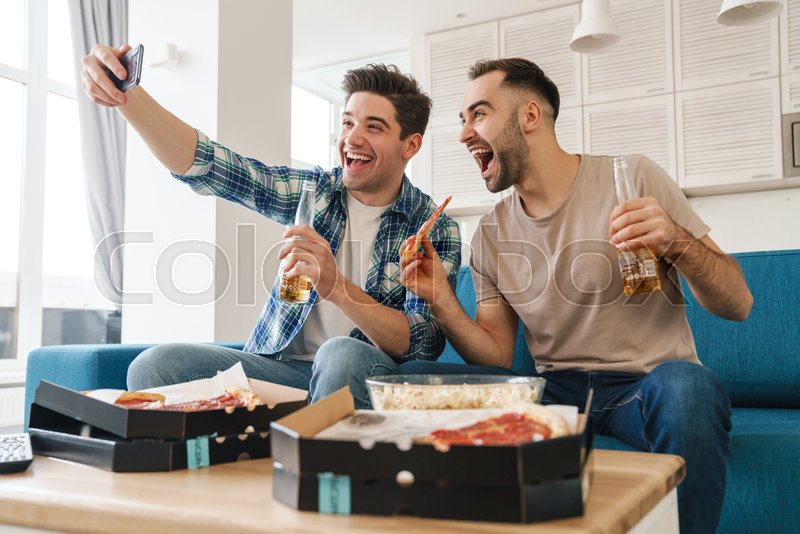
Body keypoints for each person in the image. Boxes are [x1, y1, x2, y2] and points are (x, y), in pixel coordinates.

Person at [397, 58, 752, 534]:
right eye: (462, 120)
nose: (463, 134)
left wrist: (675, 240)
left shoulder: (632, 179)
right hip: (553, 392)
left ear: (529, 116)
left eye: (478, 114)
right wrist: (442, 297)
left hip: (643, 387)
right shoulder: (490, 233)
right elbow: (498, 356)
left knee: (689, 387)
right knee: (412, 380)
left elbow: (738, 303)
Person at [80, 44, 461, 408]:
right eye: (347, 122)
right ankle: (277, 433)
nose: (352, 138)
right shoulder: (315, 194)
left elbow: (422, 343)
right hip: (282, 373)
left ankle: (300, 449)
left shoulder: (432, 227)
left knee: (340, 353)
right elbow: (217, 168)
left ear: (410, 145)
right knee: (155, 365)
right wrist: (126, 97)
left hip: (364, 375)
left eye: (374, 127)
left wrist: (336, 287)